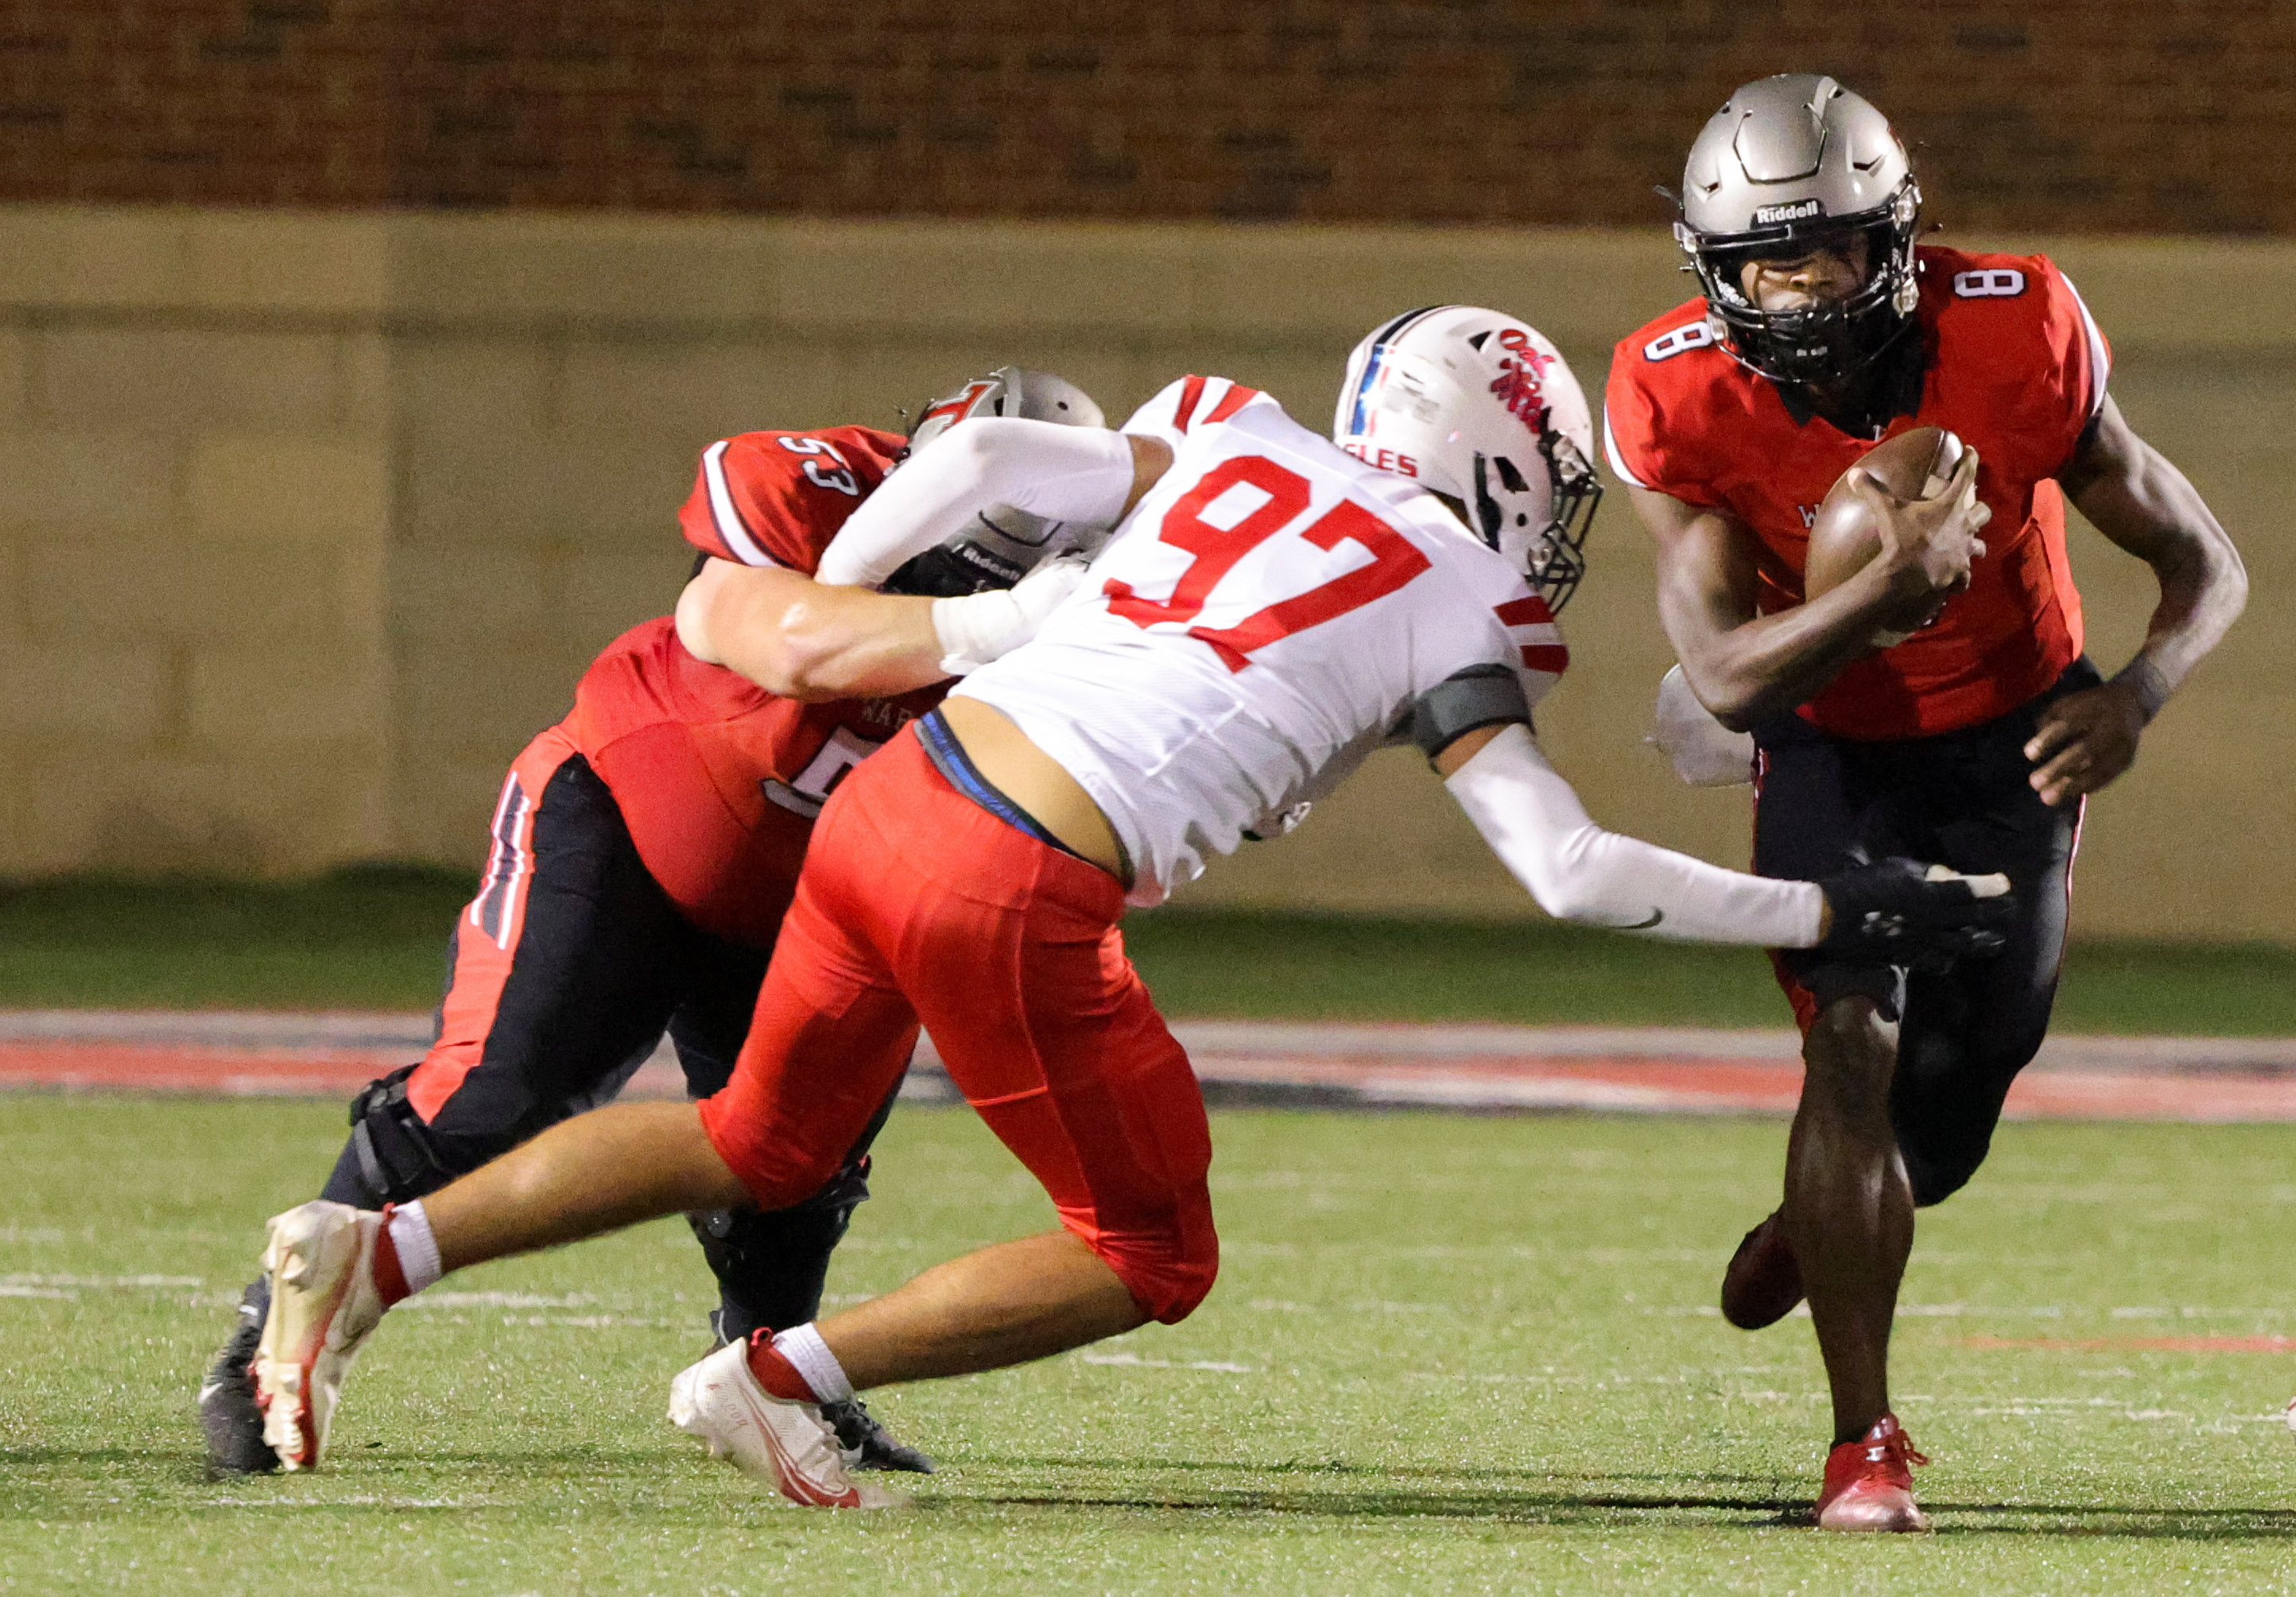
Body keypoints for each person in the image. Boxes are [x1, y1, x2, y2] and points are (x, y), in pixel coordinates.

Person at [246, 308, 2012, 1509]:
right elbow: (1568, 872)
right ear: (1495, 461)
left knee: (753, 1136)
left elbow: (993, 465)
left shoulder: (1221, 440)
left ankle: (378, 1248)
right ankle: (772, 1377)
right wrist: (1815, 905)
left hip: (895, 796)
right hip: (1016, 875)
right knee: (1151, 1255)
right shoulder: (1452, 611)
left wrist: (846, 590)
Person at [204, 366, 1108, 1476]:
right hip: (628, 819)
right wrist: (1006, 622)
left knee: (802, 1160)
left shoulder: (1104, 584)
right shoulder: (810, 482)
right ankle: (269, 1336)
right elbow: (782, 640)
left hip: (837, 885)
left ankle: (773, 1374)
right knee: (494, 1097)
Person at [1604, 75, 2248, 1531]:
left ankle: (1813, 1227)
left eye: (1830, 247)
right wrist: (1893, 584)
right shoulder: (1674, 386)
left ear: (1896, 235)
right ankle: (1861, 1441)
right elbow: (1721, 675)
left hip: (2017, 738)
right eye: (1771, 258)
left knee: (1947, 1119)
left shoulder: (2017, 329)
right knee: (1850, 1036)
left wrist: (2133, 696)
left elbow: (2207, 560)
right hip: (1830, 742)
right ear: (1715, 269)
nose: (1803, 284)